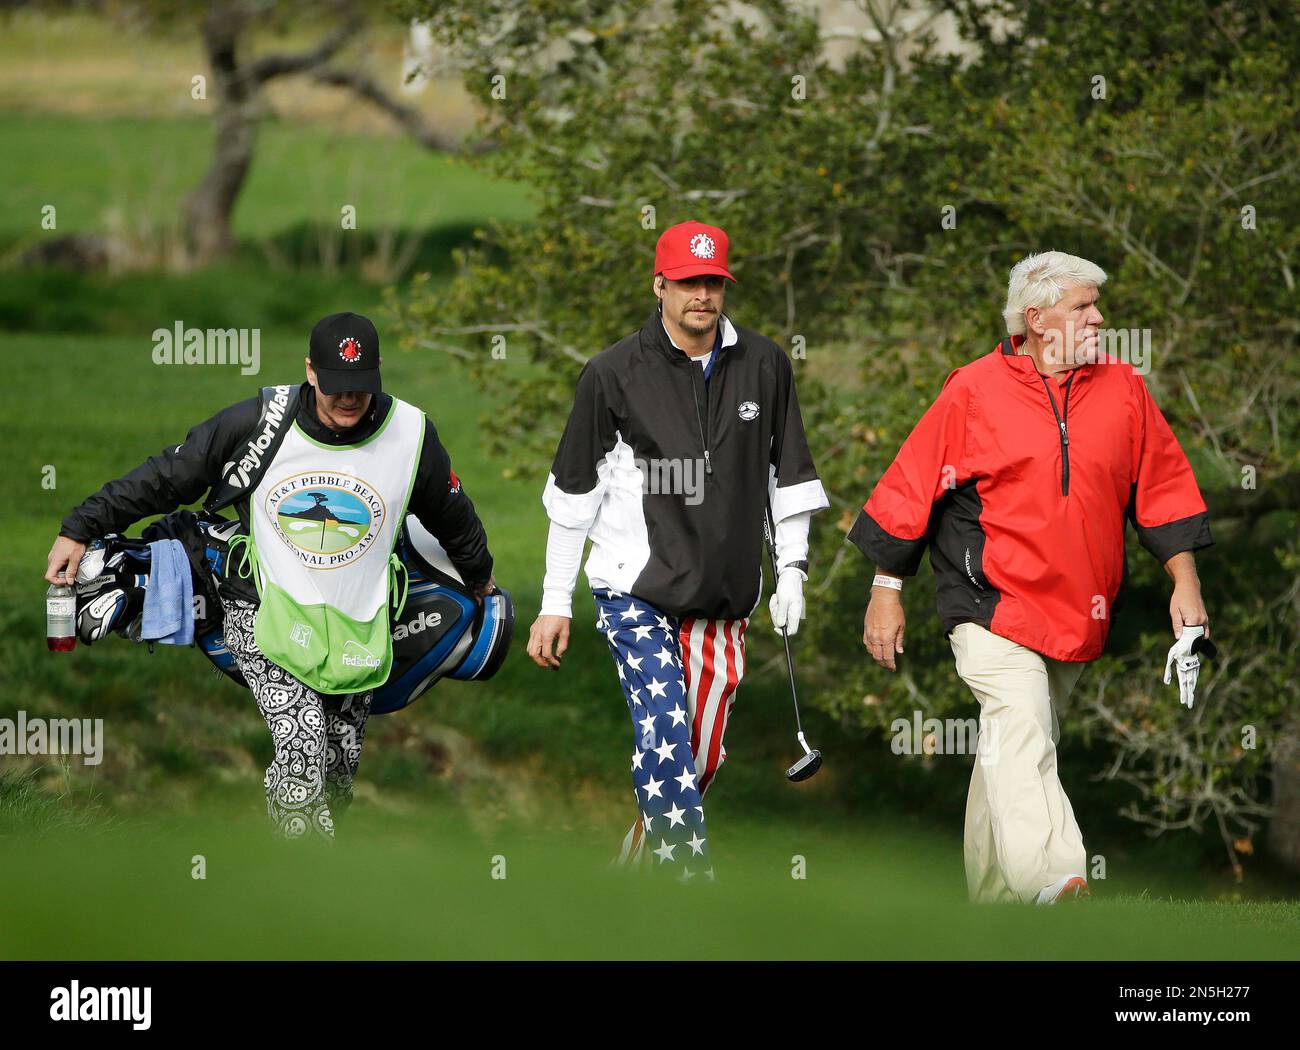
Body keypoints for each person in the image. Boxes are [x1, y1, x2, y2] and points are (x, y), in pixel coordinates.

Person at [45, 312, 496, 839]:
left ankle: (312, 889)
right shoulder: (259, 423)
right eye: (336, 387)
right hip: (261, 611)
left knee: (336, 771)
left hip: (359, 623)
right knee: (301, 744)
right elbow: (166, 477)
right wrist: (80, 527)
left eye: (360, 387)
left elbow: (452, 516)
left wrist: (480, 579)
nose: (349, 399)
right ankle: (300, 884)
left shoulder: (412, 433)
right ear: (310, 372)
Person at [850, 251, 1213, 904]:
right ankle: (1055, 881)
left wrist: (1185, 583)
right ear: (1038, 318)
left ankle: (992, 908)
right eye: (1084, 306)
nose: (1100, 318)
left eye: (1098, 305)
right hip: (989, 602)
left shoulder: (1126, 389)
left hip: (1078, 609)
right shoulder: (973, 389)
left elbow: (1163, 491)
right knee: (1022, 733)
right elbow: (911, 485)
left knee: (1015, 748)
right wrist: (886, 589)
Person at [526, 221, 829, 879]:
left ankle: (627, 885)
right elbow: (572, 498)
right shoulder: (611, 374)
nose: (702, 294)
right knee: (666, 735)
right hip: (633, 587)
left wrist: (793, 572)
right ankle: (688, 891)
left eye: (713, 281)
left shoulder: (765, 363)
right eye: (689, 282)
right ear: (659, 284)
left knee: (697, 761)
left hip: (723, 595)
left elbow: (790, 477)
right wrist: (555, 603)